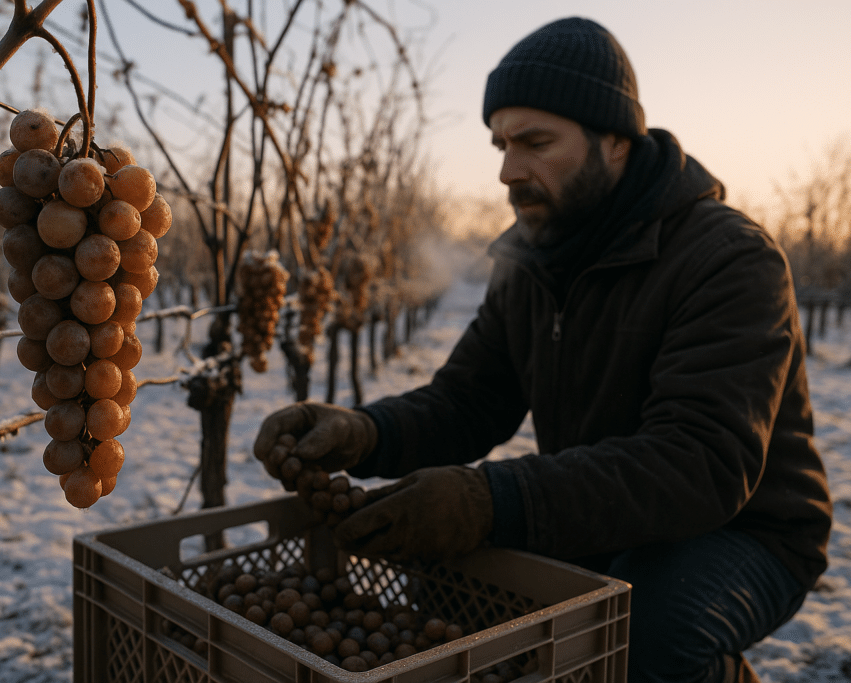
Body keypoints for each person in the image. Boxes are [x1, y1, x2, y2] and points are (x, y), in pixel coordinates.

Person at [253, 16, 832, 683]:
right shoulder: (532, 259)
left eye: (534, 142)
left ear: (615, 139)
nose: (507, 169)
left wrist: (489, 500)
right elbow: (469, 400)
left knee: (641, 638)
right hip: (604, 510)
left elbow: (700, 462)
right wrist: (365, 431)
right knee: (447, 589)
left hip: (746, 529)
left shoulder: (727, 260)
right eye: (500, 142)